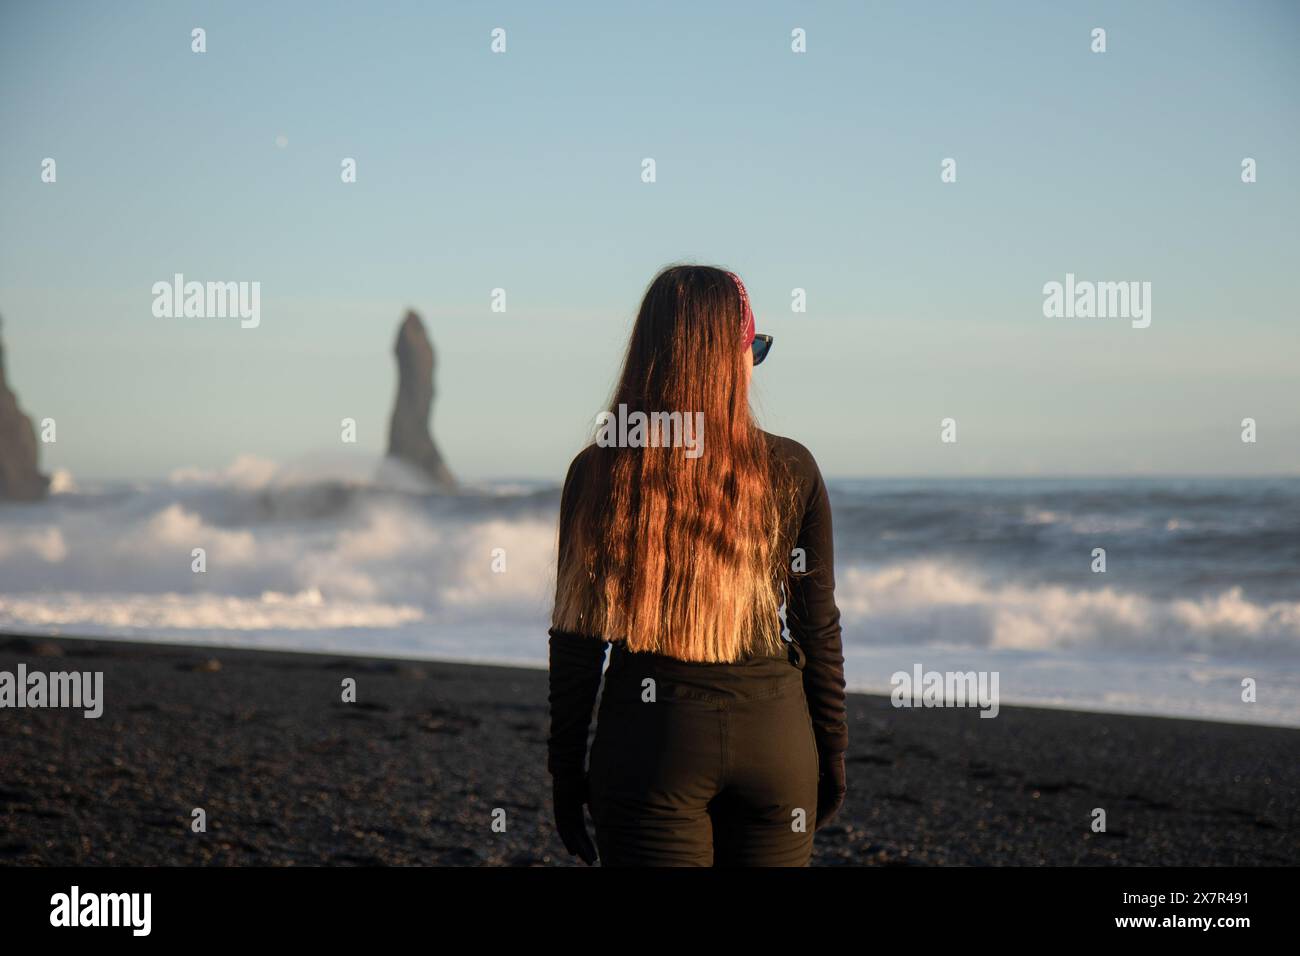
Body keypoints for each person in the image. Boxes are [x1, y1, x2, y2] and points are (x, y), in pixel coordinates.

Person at [546, 264, 848, 866]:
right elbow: (817, 627)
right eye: (755, 348)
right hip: (776, 740)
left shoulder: (600, 471)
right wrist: (831, 753)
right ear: (735, 355)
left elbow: (579, 643)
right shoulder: (792, 468)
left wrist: (565, 774)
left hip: (652, 741)